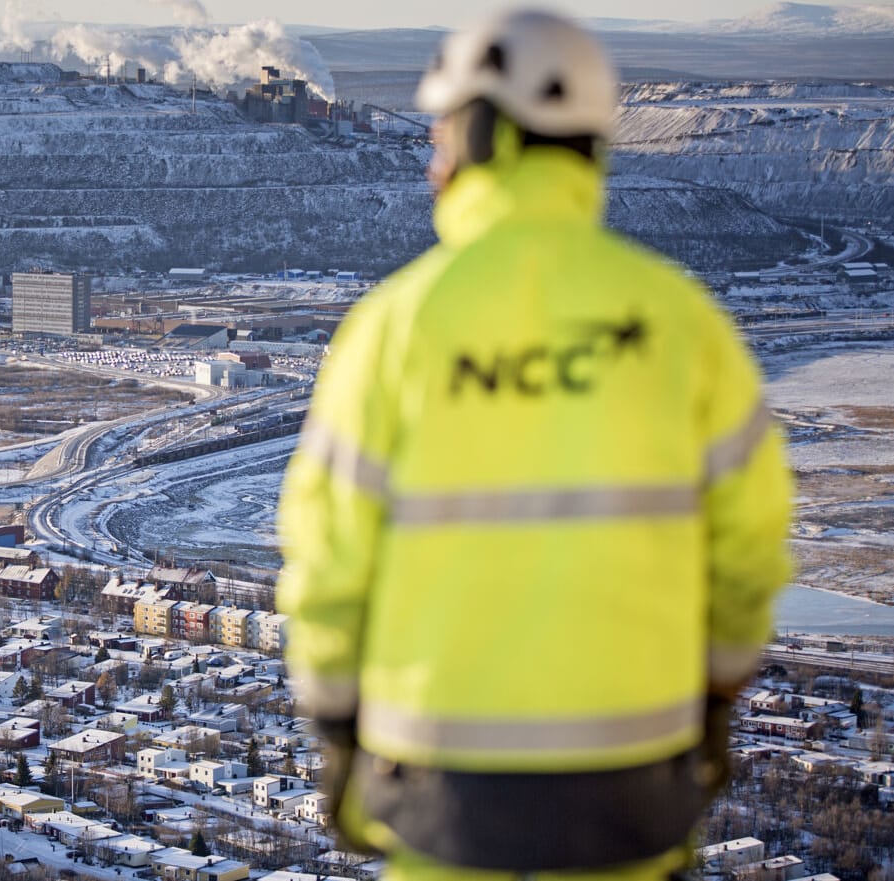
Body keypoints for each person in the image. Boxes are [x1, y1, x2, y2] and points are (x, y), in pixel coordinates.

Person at [275, 9, 792, 881]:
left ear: (488, 133)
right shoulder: (678, 320)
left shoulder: (397, 324)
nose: (431, 158)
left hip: (442, 780)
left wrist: (334, 725)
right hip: (634, 773)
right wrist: (711, 693)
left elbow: (328, 555)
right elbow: (748, 546)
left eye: (441, 132)